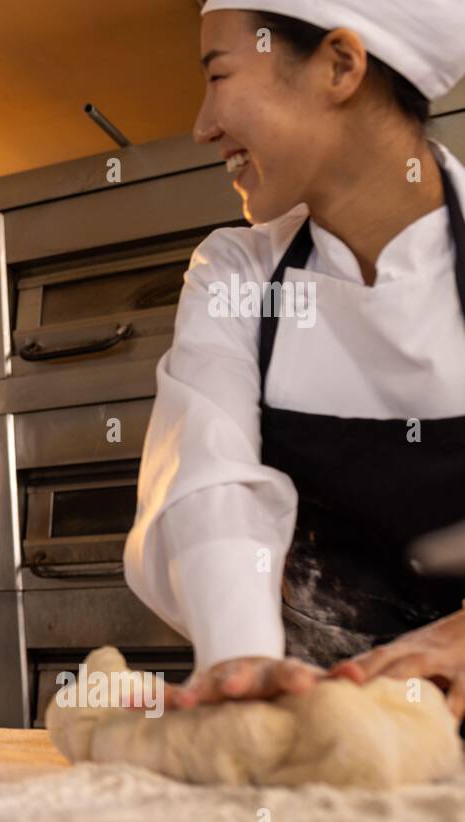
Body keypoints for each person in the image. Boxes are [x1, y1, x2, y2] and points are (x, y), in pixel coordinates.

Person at [124, 1, 465, 718]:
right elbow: (207, 472)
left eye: (219, 75)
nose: (202, 125)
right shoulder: (237, 272)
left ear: (340, 65)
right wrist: (241, 660)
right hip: (324, 744)